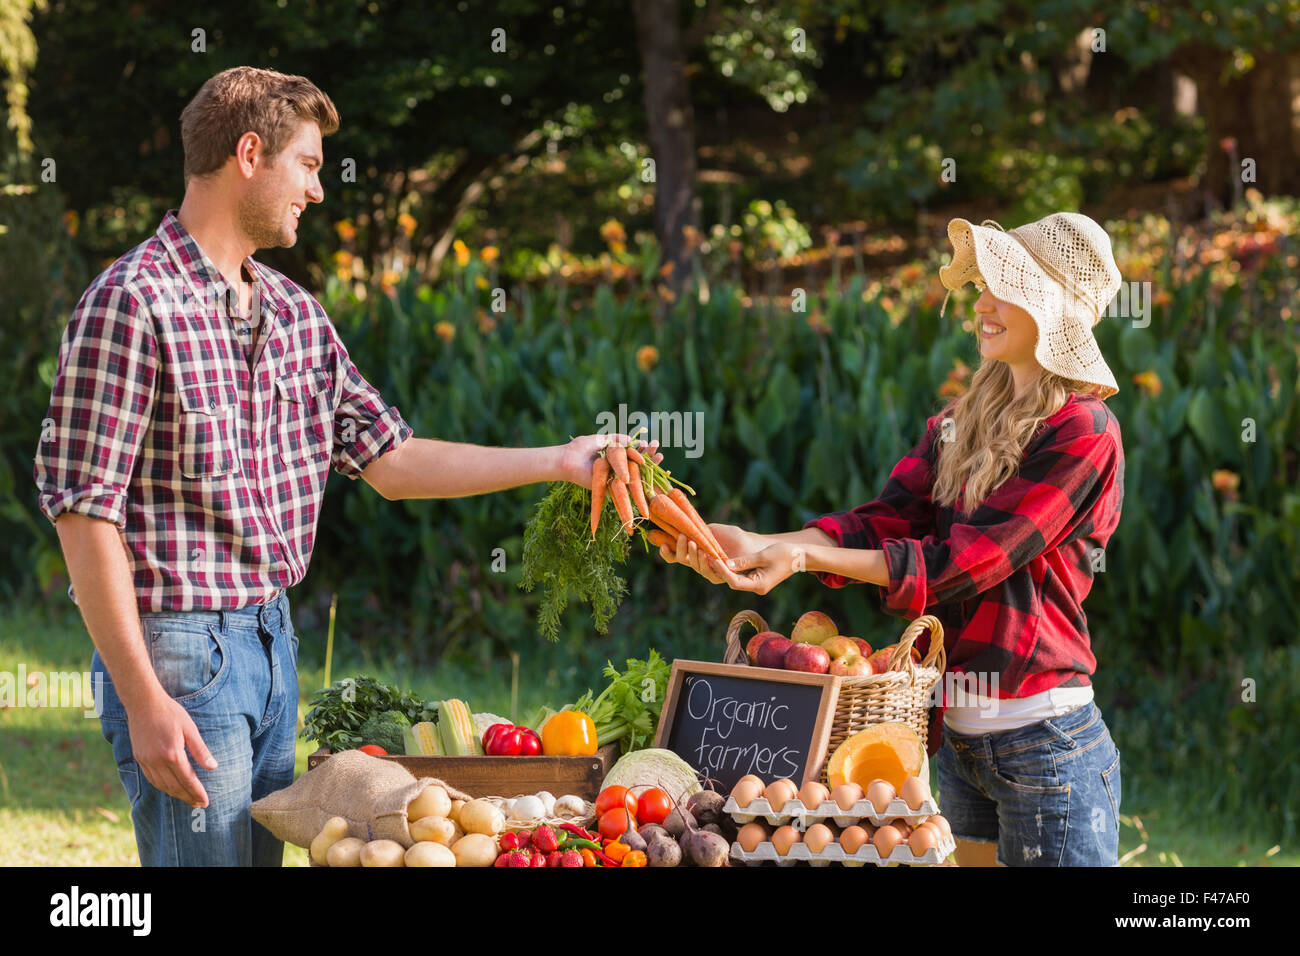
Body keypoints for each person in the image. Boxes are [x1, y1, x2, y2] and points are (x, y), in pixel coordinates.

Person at [32, 66, 657, 867]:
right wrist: (142, 696)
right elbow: (85, 515)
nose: (319, 191)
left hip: (271, 642)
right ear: (249, 153)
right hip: (179, 654)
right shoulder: (131, 302)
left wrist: (560, 461)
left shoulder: (294, 315)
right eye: (309, 164)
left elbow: (391, 458)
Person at [660, 213, 1125, 867]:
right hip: (960, 740)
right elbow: (886, 520)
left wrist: (802, 555)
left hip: (1046, 739)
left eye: (1005, 288)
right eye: (984, 284)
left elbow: (968, 564)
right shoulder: (960, 423)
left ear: (1054, 314)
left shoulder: (1085, 433)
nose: (982, 303)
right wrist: (763, 542)